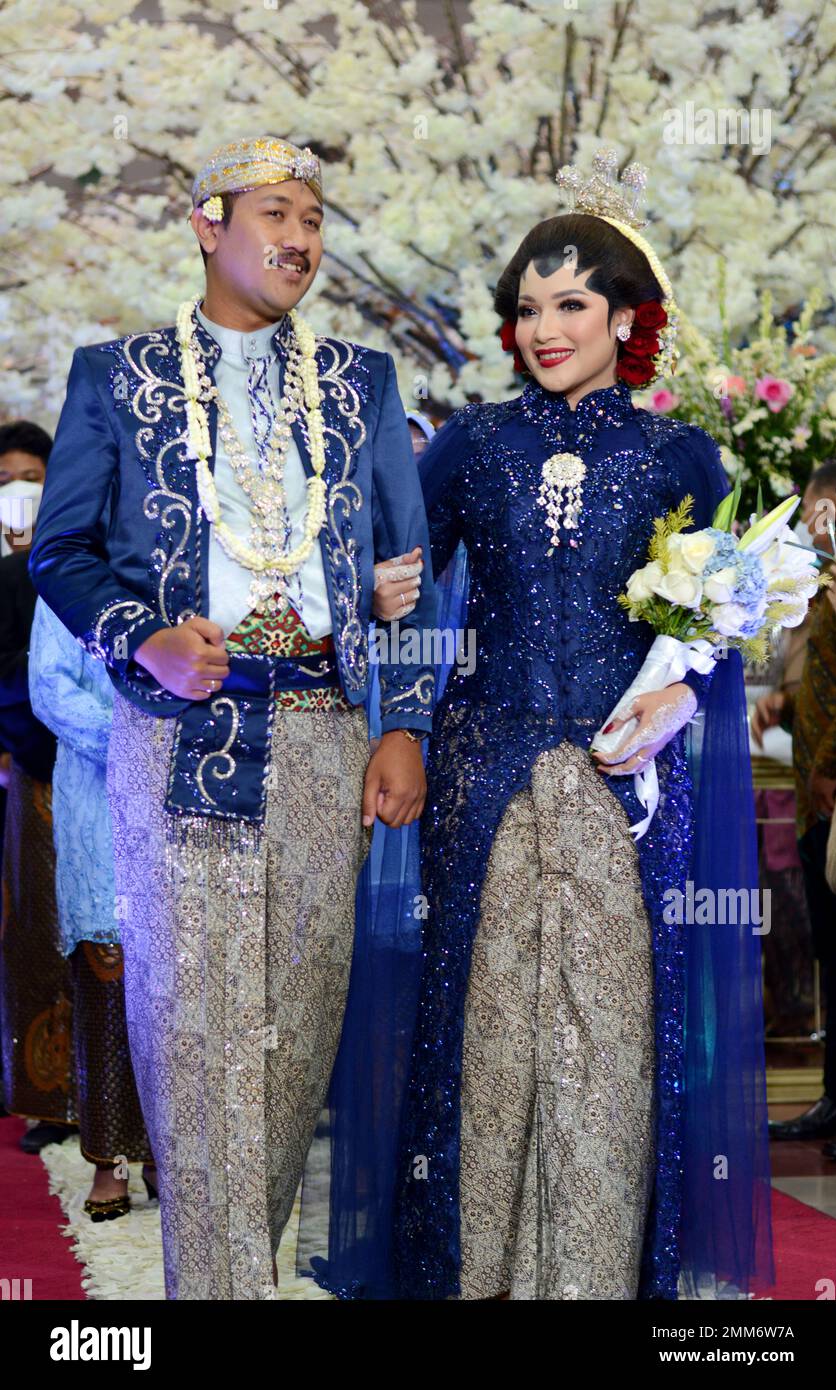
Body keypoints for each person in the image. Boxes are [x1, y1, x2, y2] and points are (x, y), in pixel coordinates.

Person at [317, 147, 773, 1301]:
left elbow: (720, 623)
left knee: (608, 1035)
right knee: (489, 1028)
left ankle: (590, 1275)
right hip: (486, 773)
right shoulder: (471, 442)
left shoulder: (685, 457)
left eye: (571, 302)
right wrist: (405, 724)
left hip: (626, 785)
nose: (544, 326)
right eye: (527, 307)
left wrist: (685, 690)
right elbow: (409, 593)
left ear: (626, 318)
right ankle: (476, 1276)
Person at [29, 134, 437, 1299]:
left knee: (294, 1036)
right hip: (178, 733)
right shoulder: (118, 374)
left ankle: (224, 1280)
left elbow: (401, 565)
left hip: (320, 724)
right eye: (274, 212)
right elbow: (61, 549)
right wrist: (142, 635)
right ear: (208, 226)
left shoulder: (361, 384)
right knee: (191, 1033)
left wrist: (400, 720)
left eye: (313, 217)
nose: (300, 237)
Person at [29, 596, 157, 1219]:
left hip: (182, 797)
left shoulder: (177, 561)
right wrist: (140, 741)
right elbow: (49, 688)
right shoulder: (66, 582)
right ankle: (108, 1161)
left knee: (177, 984)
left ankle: (171, 1151)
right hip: (98, 797)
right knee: (106, 976)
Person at [754, 462, 836, 1146]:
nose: (817, 530)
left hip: (834, 784)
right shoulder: (821, 582)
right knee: (832, 955)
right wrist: (782, 703)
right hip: (815, 793)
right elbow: (822, 677)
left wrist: (835, 766)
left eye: (823, 515)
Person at [0, 421, 77, 1152]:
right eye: (4, 483)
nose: (19, 495)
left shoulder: (83, 562)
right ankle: (48, 1098)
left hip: (98, 768)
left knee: (108, 941)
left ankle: (122, 1114)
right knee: (35, 934)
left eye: (32, 479)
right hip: (31, 771)